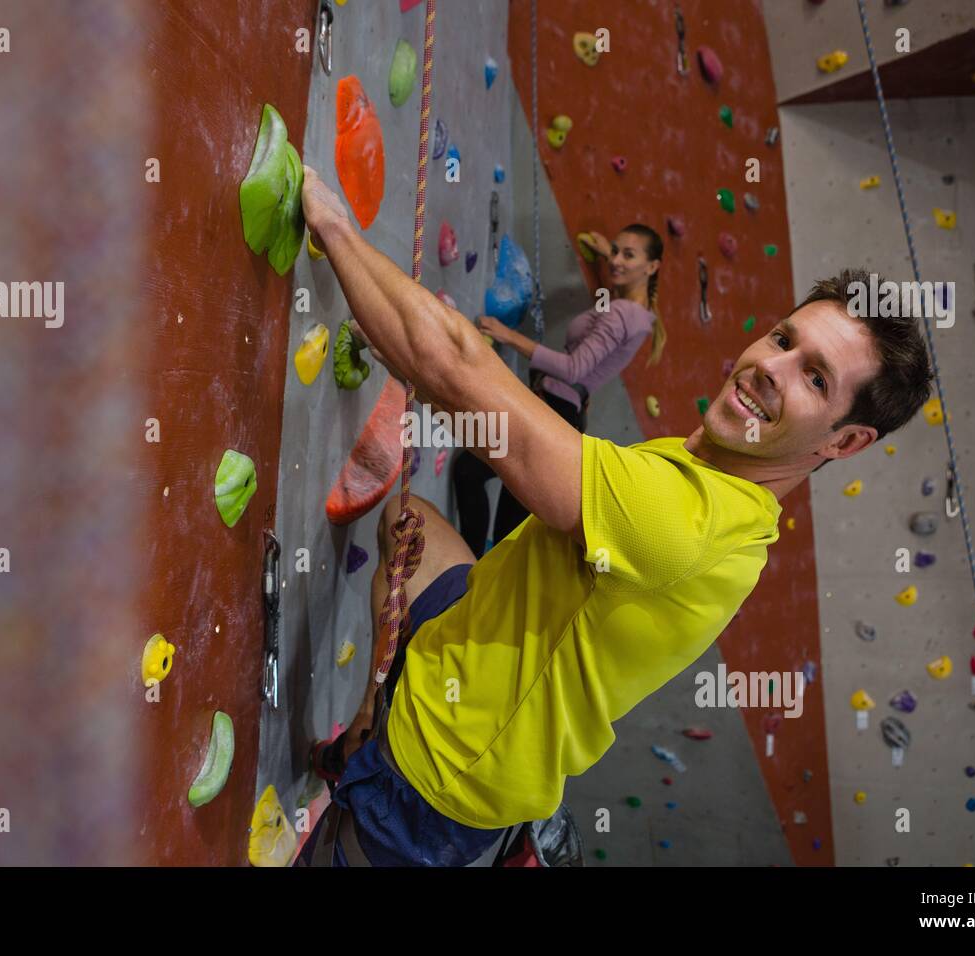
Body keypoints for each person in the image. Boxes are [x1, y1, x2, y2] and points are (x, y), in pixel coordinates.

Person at [294, 166, 932, 866]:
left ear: (844, 442)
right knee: (410, 521)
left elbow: (448, 363)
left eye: (816, 380)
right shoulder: (728, 483)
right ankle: (371, 713)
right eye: (784, 341)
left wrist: (331, 227)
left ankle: (384, 771)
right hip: (477, 645)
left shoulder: (680, 520)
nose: (771, 370)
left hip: (441, 777)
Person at [452, 226, 664, 555]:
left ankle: (467, 571)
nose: (618, 261)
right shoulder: (640, 315)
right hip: (564, 414)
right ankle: (473, 574)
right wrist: (609, 253)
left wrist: (508, 335)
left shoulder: (621, 314)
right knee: (505, 516)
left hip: (554, 410)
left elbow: (573, 367)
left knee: (474, 478)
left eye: (629, 255)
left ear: (652, 267)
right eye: (617, 251)